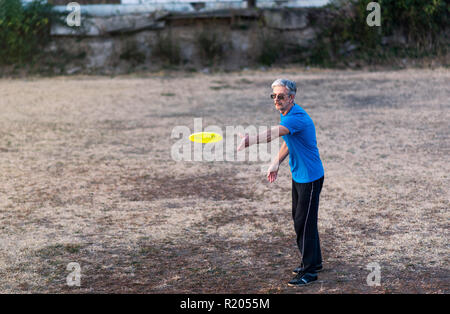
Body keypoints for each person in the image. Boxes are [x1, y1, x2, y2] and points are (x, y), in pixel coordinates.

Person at [237, 78, 325, 287]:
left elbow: (272, 135)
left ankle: (309, 272)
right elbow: (288, 141)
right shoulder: (287, 113)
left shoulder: (295, 117)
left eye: (281, 96)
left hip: (310, 177)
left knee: (303, 222)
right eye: (274, 96)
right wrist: (275, 162)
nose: (276, 100)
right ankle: (315, 261)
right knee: (301, 219)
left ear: (291, 97)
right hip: (300, 176)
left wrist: (249, 140)